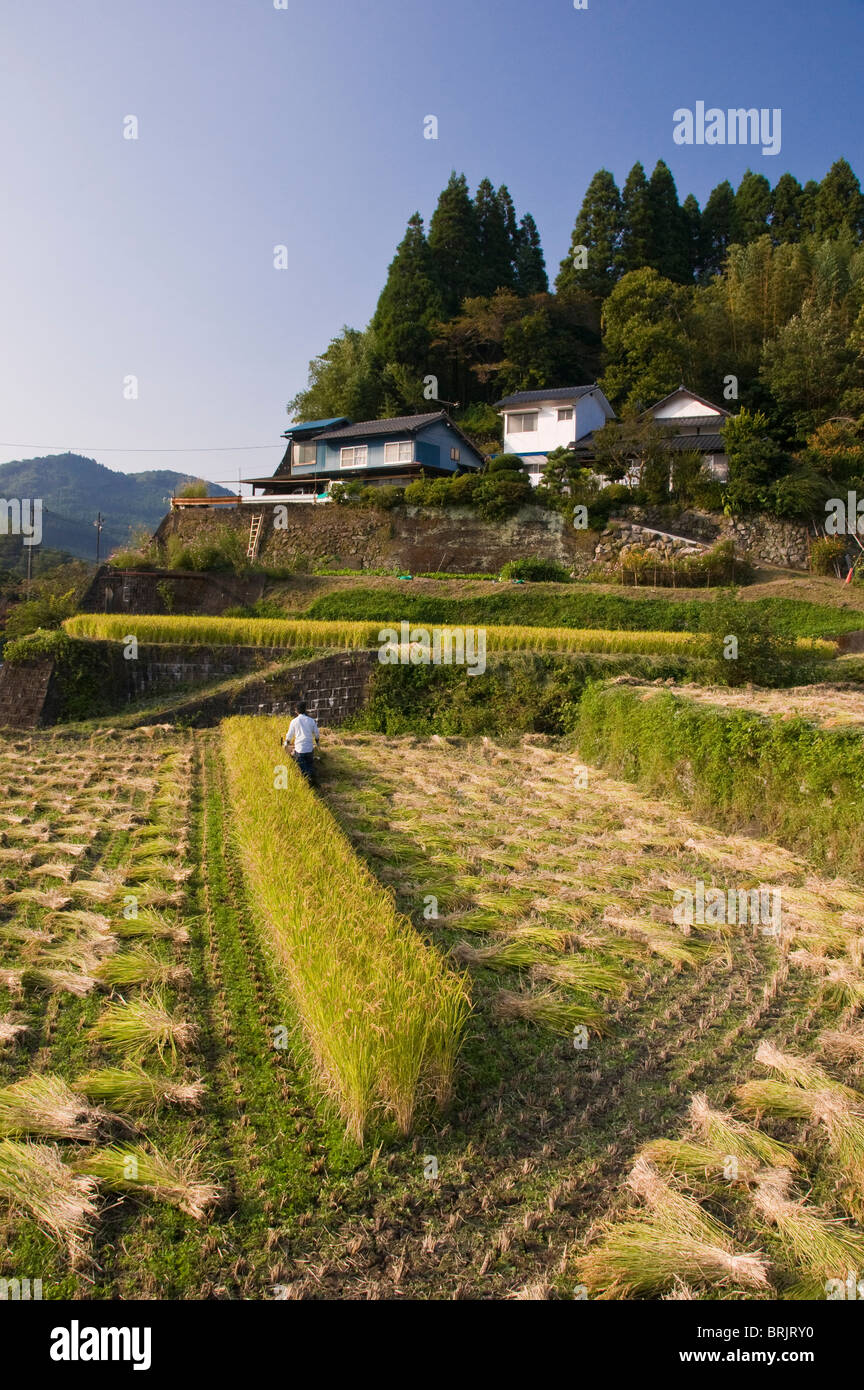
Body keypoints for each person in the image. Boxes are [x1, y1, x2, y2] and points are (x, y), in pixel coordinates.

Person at [283, 701, 320, 785]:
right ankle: (313, 781)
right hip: (309, 749)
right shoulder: (311, 721)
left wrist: (286, 743)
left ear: (296, 710)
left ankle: (309, 783)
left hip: (299, 750)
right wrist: (317, 742)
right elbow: (316, 734)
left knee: (303, 770)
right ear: (305, 709)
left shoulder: (294, 721)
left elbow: (289, 735)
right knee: (310, 765)